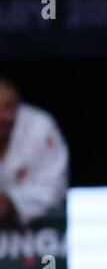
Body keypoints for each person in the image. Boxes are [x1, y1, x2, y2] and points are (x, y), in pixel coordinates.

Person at [0, 78, 69, 229]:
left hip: (40, 236)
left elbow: (55, 188)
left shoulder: (39, 127)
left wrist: (13, 203)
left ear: (18, 107)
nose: (1, 116)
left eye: (7, 108)